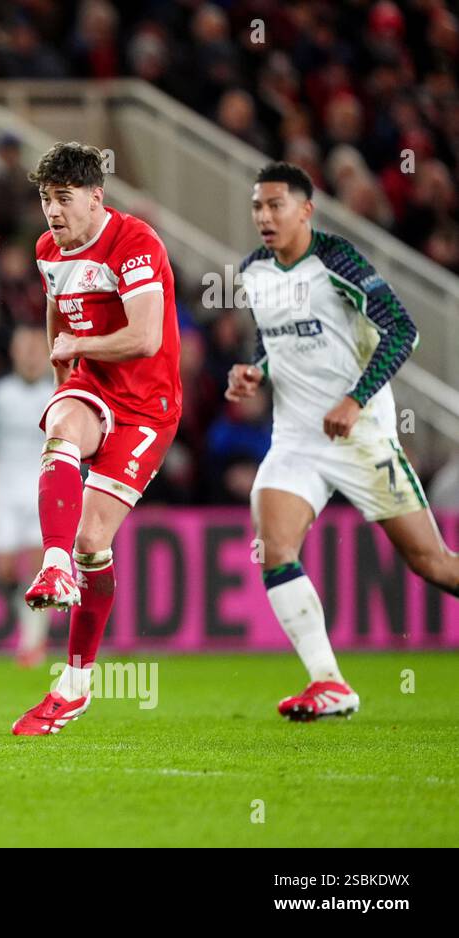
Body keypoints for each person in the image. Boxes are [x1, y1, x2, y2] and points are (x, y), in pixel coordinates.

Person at [227, 161, 459, 720]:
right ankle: (329, 683)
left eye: (276, 205)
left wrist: (356, 399)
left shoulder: (338, 261)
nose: (264, 215)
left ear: (306, 210)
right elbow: (275, 339)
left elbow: (404, 330)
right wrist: (255, 370)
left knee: (432, 563)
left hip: (361, 437)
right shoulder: (254, 270)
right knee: (275, 547)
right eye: (258, 206)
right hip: (296, 440)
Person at [12, 141, 182, 736]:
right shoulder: (46, 249)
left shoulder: (135, 243)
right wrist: (66, 373)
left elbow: (145, 338)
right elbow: (56, 310)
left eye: (63, 199)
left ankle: (76, 684)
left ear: (95, 197)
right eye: (44, 199)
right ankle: (53, 567)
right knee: (59, 428)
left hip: (146, 408)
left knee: (92, 539)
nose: (52, 212)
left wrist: (76, 347)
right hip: (92, 388)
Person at [0, 324, 55, 666]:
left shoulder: (59, 389)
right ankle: (28, 624)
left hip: (43, 480)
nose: (31, 354)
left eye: (37, 347)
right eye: (25, 347)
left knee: (36, 563)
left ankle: (33, 641)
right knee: (3, 568)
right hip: (4, 483)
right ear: (14, 352)